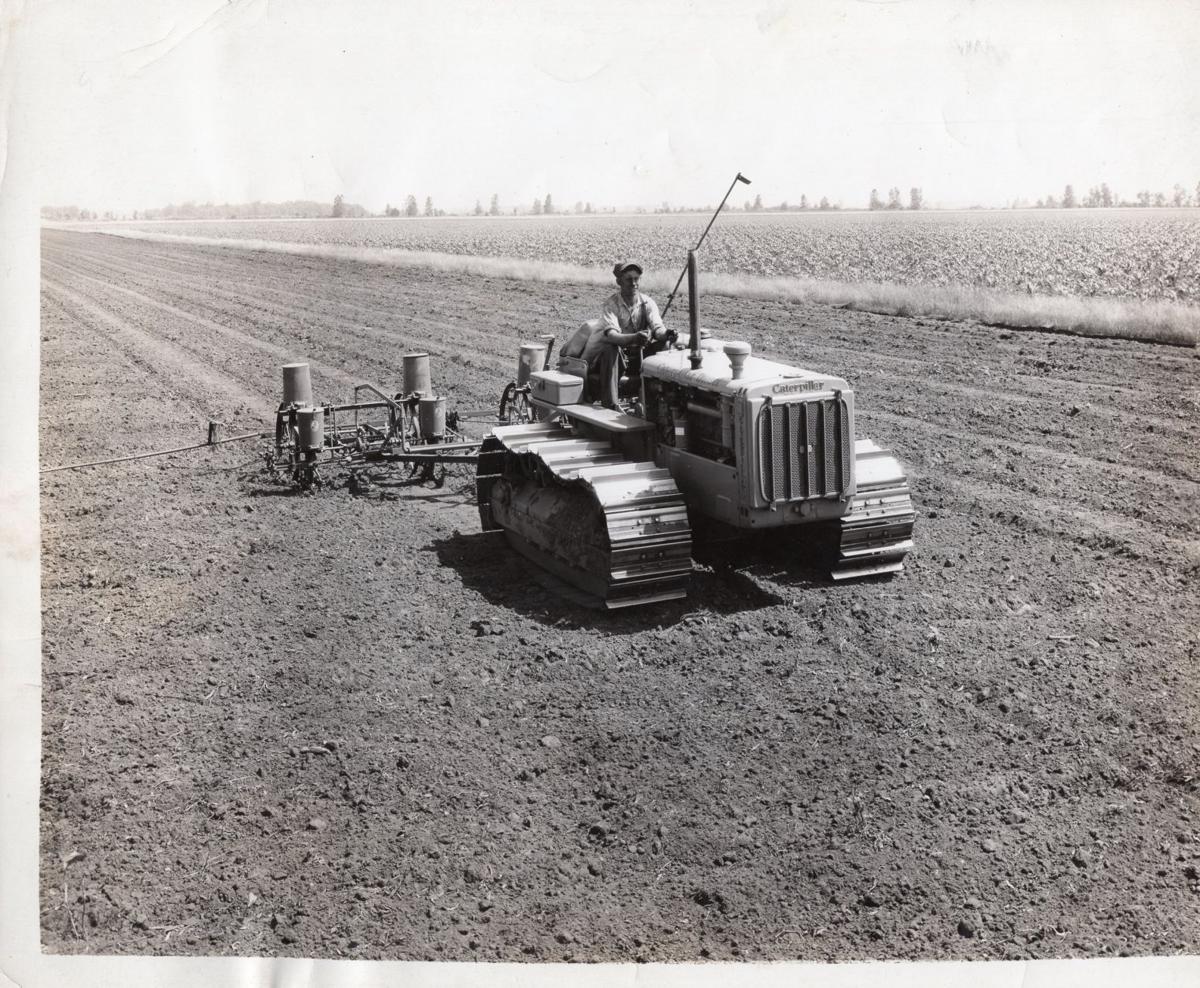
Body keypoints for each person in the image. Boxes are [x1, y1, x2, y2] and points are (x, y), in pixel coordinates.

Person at [561, 261, 671, 408]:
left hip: (632, 356)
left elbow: (658, 329)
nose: (633, 283)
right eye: (628, 279)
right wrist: (635, 337)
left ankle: (655, 402)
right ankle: (611, 405)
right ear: (619, 281)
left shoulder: (647, 303)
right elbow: (613, 336)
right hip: (601, 360)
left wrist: (667, 334)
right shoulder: (611, 305)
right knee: (611, 348)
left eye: (636, 279)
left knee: (665, 345)